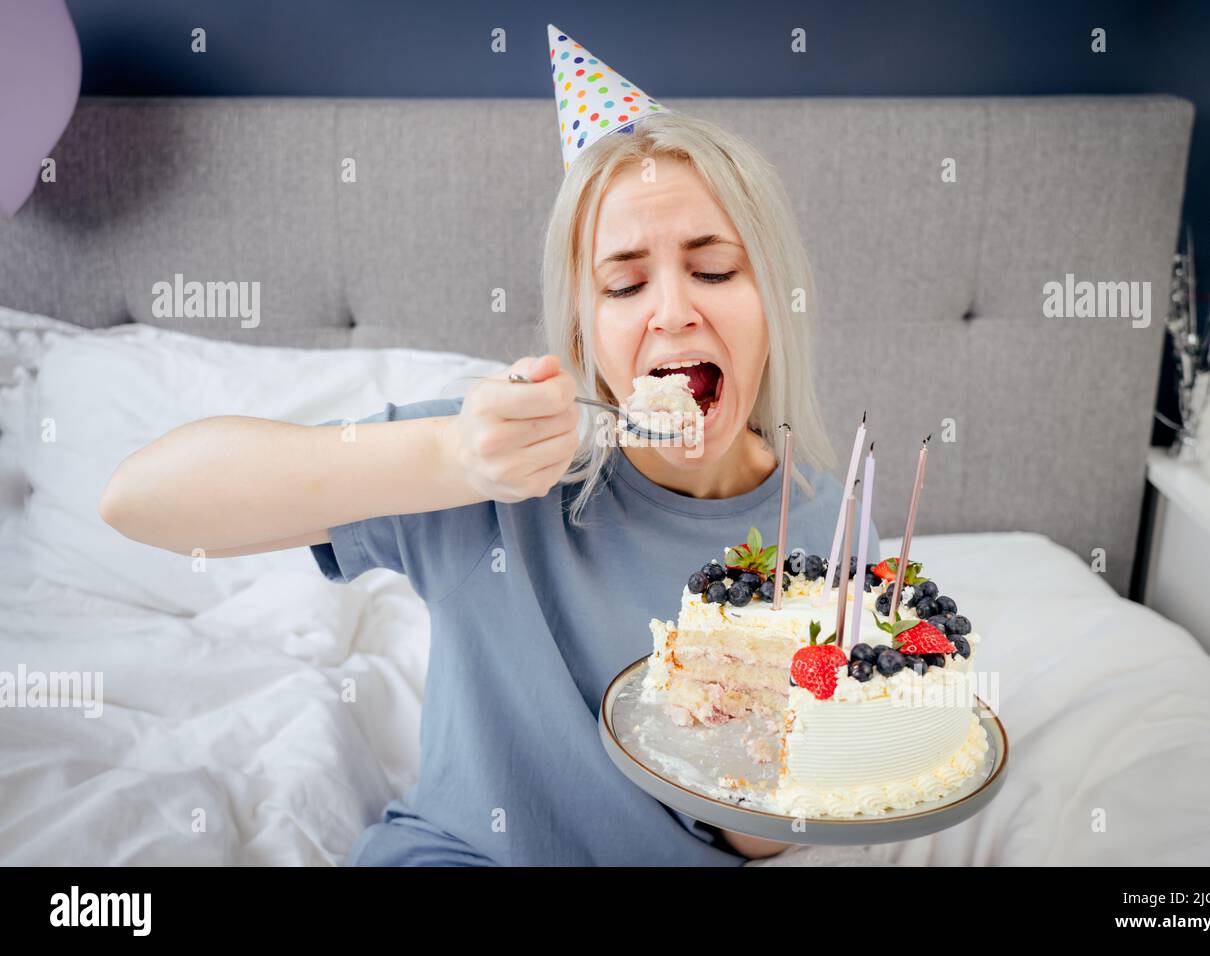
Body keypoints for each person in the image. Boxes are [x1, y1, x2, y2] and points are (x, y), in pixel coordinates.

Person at [99, 25, 878, 865]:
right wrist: (445, 459)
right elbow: (140, 500)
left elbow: (749, 834)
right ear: (585, 327)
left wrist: (774, 730)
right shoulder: (499, 472)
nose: (672, 311)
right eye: (623, 283)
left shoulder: (831, 530)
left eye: (715, 270)